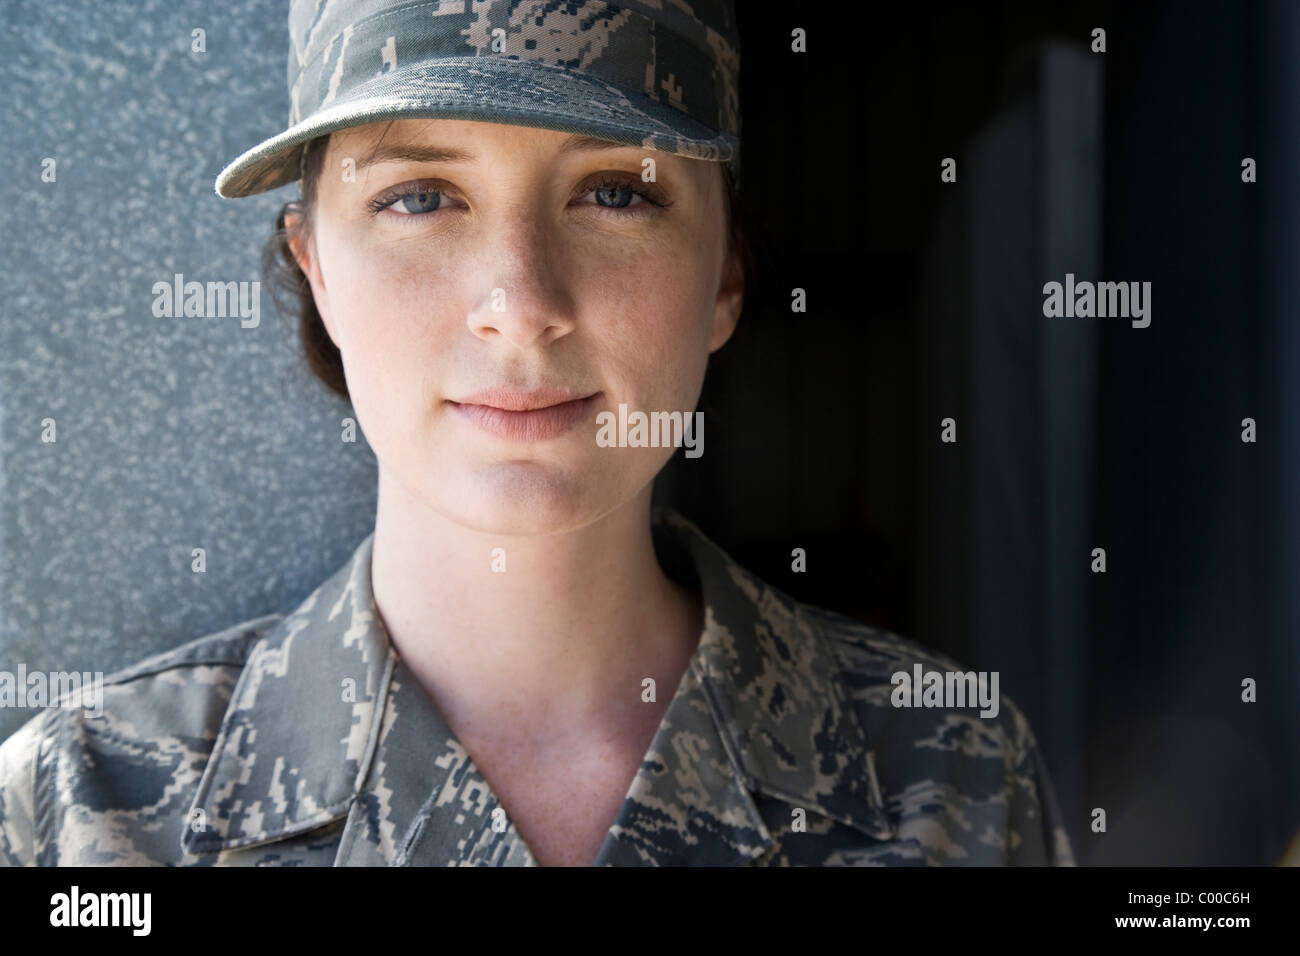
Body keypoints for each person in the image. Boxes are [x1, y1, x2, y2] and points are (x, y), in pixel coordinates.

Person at [0, 0, 1075, 866]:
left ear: (725, 277)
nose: (519, 304)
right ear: (314, 269)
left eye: (614, 192)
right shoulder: (82, 812)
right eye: (420, 197)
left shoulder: (951, 780)